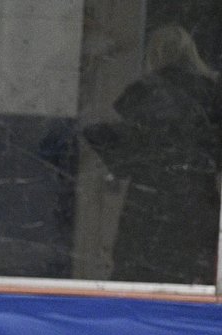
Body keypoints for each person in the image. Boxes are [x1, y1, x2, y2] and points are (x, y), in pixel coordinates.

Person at [83, 25, 222, 285]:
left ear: (154, 54)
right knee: (195, 275)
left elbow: (123, 150)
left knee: (140, 271)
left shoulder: (142, 92)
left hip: (150, 199)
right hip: (197, 198)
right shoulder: (212, 92)